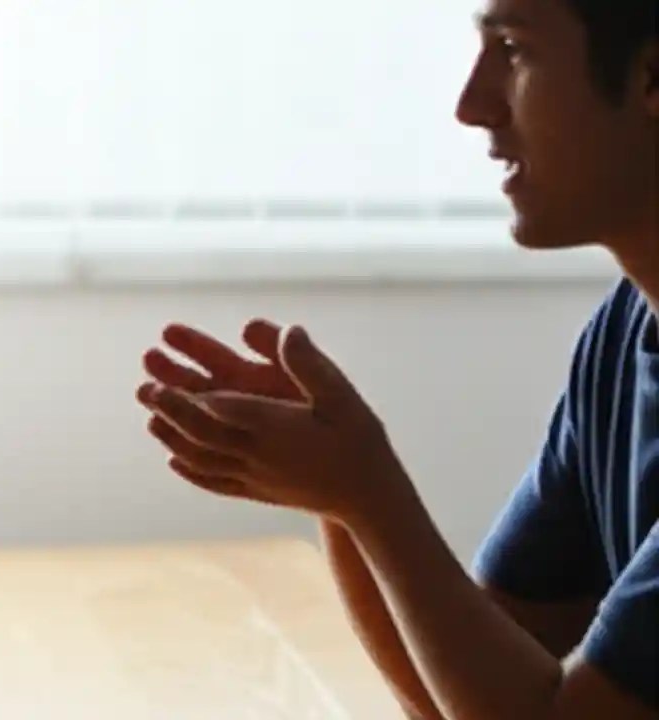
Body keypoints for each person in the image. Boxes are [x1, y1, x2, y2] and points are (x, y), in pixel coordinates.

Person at [138, 0, 658, 718]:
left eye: (513, 50)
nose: (470, 106)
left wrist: (368, 494)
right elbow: (463, 695)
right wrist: (337, 492)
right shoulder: (624, 330)